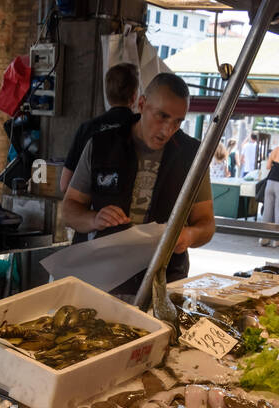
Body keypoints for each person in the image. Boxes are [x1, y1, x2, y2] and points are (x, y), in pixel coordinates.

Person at [61, 71, 216, 297]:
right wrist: (93, 219)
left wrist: (189, 236)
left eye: (177, 122)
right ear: (141, 104)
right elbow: (69, 209)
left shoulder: (193, 155)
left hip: (162, 283)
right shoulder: (101, 145)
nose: (167, 130)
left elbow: (207, 223)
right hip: (100, 279)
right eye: (161, 116)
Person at [59, 62, 139, 196]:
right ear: (134, 96)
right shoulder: (139, 127)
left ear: (107, 95)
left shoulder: (87, 128)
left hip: (91, 211)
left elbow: (65, 185)